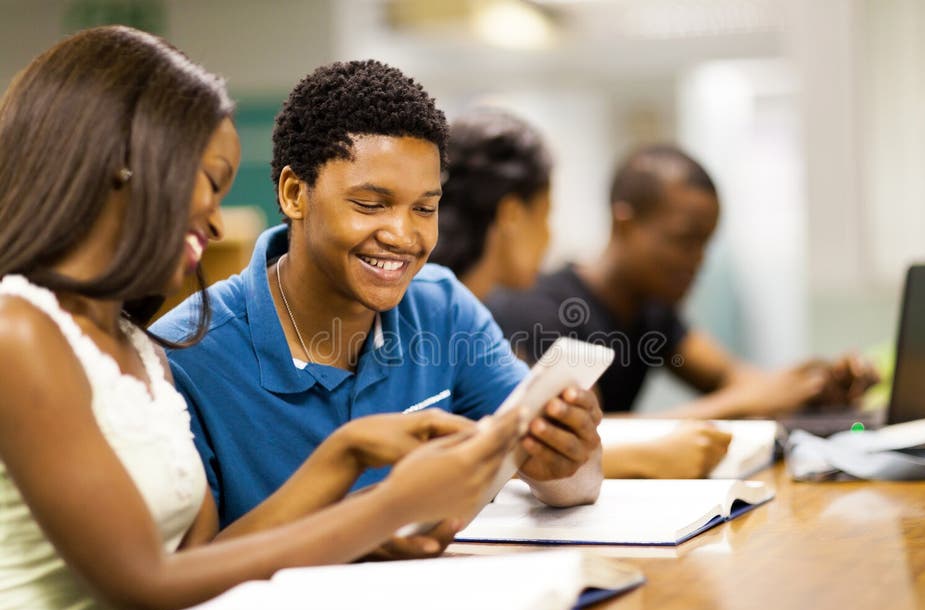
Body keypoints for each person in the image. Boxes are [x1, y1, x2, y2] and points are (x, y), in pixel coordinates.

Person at [0, 27, 526, 610]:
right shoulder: (19, 333)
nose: (217, 220)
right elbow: (146, 593)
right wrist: (388, 506)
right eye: (208, 182)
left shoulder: (139, 349)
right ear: (120, 174)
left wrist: (345, 456)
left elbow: (206, 566)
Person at [151, 62, 603, 540]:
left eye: (425, 209)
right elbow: (186, 574)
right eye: (370, 205)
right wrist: (360, 533)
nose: (403, 236)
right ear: (293, 193)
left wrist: (567, 462)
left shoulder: (442, 307)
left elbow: (574, 482)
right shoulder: (185, 355)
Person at [432, 109, 730, 479]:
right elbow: (490, 460)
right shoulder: (450, 312)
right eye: (546, 215)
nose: (550, 237)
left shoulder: (472, 322)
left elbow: (520, 443)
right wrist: (645, 456)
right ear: (511, 215)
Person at [487, 143, 878, 421]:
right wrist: (745, 403)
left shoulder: (653, 309)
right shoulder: (543, 310)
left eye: (705, 244)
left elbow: (733, 378)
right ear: (625, 224)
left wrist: (817, 384)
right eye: (684, 241)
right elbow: (587, 436)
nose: (698, 260)